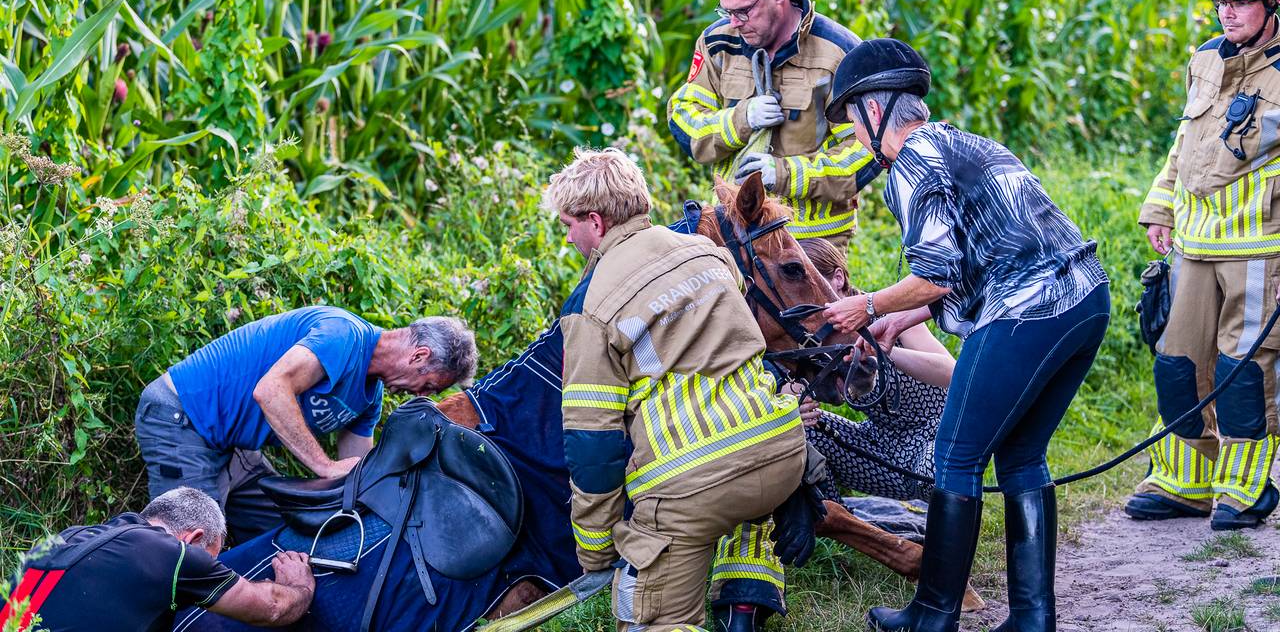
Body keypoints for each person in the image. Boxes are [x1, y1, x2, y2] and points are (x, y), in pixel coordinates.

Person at [821, 39, 1110, 632]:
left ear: (875, 113)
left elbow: (934, 273)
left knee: (955, 456)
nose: (852, 134)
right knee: (1022, 455)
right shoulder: (963, 144)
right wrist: (902, 318)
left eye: (851, 119)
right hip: (1085, 300)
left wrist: (866, 305)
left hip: (1028, 309)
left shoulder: (911, 165)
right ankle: (1033, 619)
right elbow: (981, 256)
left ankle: (932, 614)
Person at [544, 147, 809, 632]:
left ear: (596, 223)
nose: (568, 237)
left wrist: (597, 549)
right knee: (736, 507)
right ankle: (742, 602)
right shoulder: (711, 254)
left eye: (568, 224)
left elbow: (593, 442)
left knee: (647, 618)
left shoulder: (589, 306)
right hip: (782, 453)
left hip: (693, 484)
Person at [1125, 0, 1280, 531]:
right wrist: (1159, 209)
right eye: (1221, 3)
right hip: (1194, 243)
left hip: (1261, 246)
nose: (1228, 13)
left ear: (1271, 5)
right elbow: (1184, 145)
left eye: (1241, 3)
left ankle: (1245, 488)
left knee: (1246, 369)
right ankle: (1183, 481)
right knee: (1177, 361)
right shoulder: (1206, 60)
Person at [134, 307, 477, 544]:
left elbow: (357, 474)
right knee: (191, 549)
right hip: (182, 416)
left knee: (287, 537)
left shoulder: (369, 397)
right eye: (430, 385)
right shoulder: (343, 335)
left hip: (232, 444)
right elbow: (270, 390)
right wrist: (324, 465)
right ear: (419, 356)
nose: (423, 394)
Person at [666, 0, 879, 251]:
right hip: (735, 230)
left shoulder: (839, 52)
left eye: (743, 11)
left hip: (812, 241)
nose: (734, 24)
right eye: (726, 12)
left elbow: (868, 150)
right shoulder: (717, 42)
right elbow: (683, 119)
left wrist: (783, 174)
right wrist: (742, 118)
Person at [1, 487, 313, 632]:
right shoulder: (172, 554)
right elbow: (270, 608)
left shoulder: (71, 537)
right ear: (193, 539)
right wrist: (300, 587)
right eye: (212, 558)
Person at [793, 237, 953, 504]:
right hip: (882, 451)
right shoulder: (819, 341)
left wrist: (886, 352)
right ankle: (844, 524)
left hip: (936, 436)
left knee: (937, 470)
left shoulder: (890, 313)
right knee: (803, 433)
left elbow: (952, 372)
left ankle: (946, 527)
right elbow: (794, 389)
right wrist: (793, 404)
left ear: (838, 279)